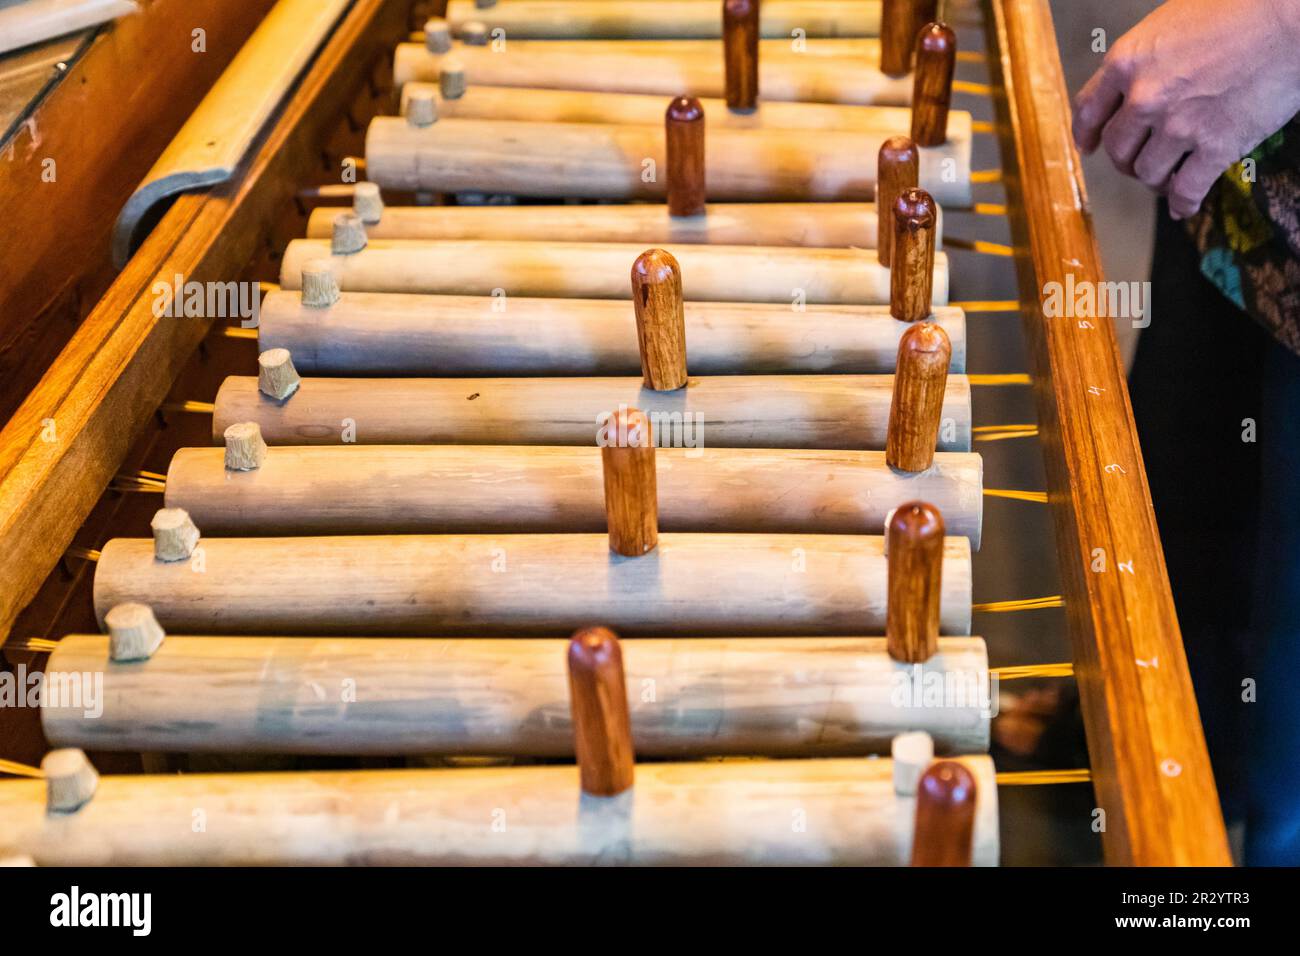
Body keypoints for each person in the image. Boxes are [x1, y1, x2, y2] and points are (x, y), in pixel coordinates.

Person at [1073, 0, 1300, 865]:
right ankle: (1163, 758)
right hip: (1244, 178)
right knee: (1180, 520)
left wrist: (1284, 32)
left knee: (1287, 784)